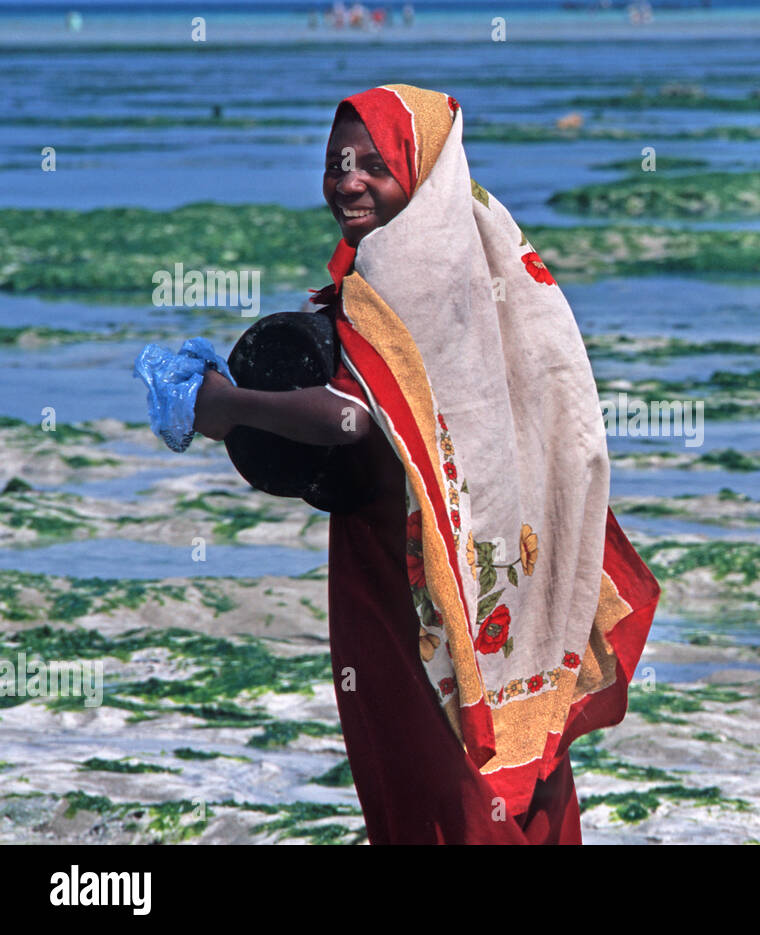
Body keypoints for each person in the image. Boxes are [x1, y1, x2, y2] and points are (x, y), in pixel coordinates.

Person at [192, 85, 659, 844]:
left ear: (422, 168)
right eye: (336, 162)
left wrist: (229, 406)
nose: (347, 179)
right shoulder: (471, 255)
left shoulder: (410, 275)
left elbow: (353, 417)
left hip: (419, 586)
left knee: (443, 785)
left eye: (373, 163)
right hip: (450, 574)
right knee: (507, 774)